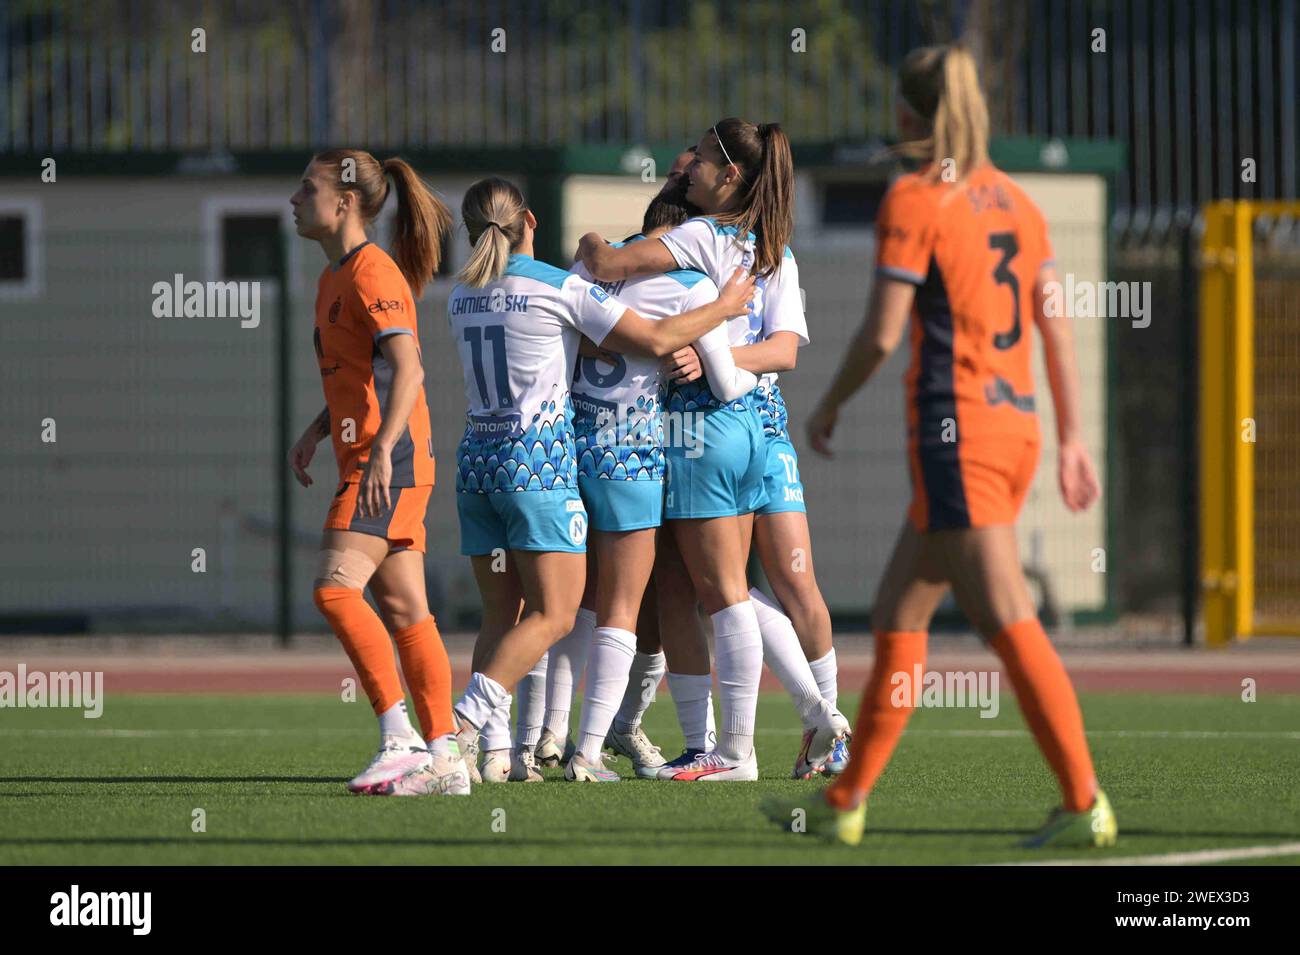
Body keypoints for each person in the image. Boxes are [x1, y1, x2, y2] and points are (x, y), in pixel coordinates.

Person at [763, 45, 1115, 848]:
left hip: (960, 432)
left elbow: (883, 332)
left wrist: (827, 405)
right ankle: (847, 798)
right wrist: (1072, 441)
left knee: (1006, 617)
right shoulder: (1019, 205)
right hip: (1014, 426)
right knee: (899, 610)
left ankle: (1083, 799)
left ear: (909, 114)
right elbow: (1054, 331)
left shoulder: (918, 198)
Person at [444, 177, 756, 783]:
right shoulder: (561, 287)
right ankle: (473, 733)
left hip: (476, 465)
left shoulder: (463, 294)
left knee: (503, 616)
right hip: (549, 464)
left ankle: (505, 753)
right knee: (572, 613)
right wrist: (724, 306)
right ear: (530, 220)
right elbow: (660, 339)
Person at [577, 119, 845, 781]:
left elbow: (605, 265)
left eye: (699, 155)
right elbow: (774, 353)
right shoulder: (765, 245)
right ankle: (794, 723)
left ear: (730, 175)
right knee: (724, 585)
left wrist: (586, 241)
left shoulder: (698, 236)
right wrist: (718, 354)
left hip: (702, 429)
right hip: (751, 424)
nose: (689, 163)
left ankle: (743, 745)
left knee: (725, 589)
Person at [288, 149, 469, 797]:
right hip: (373, 455)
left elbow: (410, 368)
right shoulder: (333, 277)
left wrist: (383, 449)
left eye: (306, 189)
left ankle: (400, 739)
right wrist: (315, 431)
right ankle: (446, 755)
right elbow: (360, 374)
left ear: (344, 202)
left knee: (335, 591)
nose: (294, 199)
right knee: (404, 607)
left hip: (384, 461)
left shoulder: (372, 271)